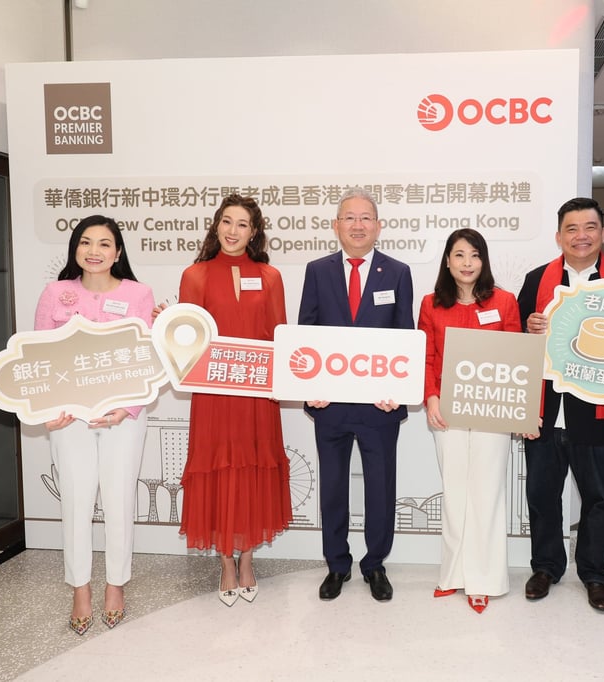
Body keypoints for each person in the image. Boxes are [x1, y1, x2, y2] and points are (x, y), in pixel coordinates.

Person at [517, 197, 604, 612]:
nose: (581, 235)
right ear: (559, 236)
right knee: (541, 495)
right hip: (543, 411)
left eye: (589, 227)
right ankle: (546, 567)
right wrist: (527, 327)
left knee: (598, 498)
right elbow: (514, 348)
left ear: (603, 234)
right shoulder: (535, 280)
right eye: (571, 228)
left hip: (595, 414)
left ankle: (594, 574)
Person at [34, 215, 156, 635]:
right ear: (75, 250)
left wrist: (129, 408)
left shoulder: (139, 295)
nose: (94, 251)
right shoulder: (56, 292)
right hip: (70, 416)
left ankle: (115, 585)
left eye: (105, 244)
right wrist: (49, 408)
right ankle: (80, 588)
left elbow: (148, 358)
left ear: (118, 252)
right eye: (85, 243)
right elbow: (39, 357)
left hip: (122, 416)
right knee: (76, 501)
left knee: (120, 498)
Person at [298, 186, 414, 602]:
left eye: (366, 217)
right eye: (350, 217)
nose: (358, 224)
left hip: (379, 406)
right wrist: (310, 387)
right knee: (332, 486)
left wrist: (397, 392)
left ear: (379, 226)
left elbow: (405, 338)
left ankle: (375, 564)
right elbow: (305, 335)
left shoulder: (398, 272)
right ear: (336, 226)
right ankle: (337, 564)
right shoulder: (317, 271)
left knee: (380, 488)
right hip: (329, 404)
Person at [177, 194, 292, 608]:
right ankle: (225, 561)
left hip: (257, 394)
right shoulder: (195, 275)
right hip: (214, 395)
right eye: (226, 222)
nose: (232, 231)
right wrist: (166, 327)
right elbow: (186, 340)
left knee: (252, 470)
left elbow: (279, 335)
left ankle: (247, 558)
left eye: (242, 224)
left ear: (254, 231)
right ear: (216, 226)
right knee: (220, 469)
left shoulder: (271, 276)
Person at [418, 228, 521, 614]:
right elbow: (426, 355)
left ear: (484, 261)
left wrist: (522, 410)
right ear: (447, 260)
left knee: (486, 492)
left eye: (474, 255)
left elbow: (516, 359)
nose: (466, 263)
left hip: (494, 410)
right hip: (447, 409)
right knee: (455, 491)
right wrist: (431, 398)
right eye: (459, 255)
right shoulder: (431, 304)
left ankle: (484, 579)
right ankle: (453, 575)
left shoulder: (505, 302)